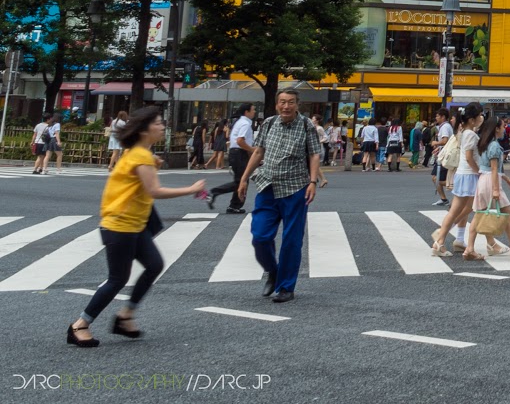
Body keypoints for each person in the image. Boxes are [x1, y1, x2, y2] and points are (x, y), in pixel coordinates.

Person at [67, 107, 209, 347]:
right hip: (120, 225)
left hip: (133, 224)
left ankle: (126, 316)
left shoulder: (138, 153)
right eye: (158, 123)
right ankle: (80, 325)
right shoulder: (140, 156)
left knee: (154, 265)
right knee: (117, 279)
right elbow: (154, 191)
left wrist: (154, 164)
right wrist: (192, 189)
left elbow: (140, 182)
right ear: (145, 129)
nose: (162, 126)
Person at [237, 91, 325, 302]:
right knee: (260, 236)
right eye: (283, 102)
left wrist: (313, 181)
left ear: (297, 105)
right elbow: (259, 152)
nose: (286, 106)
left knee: (291, 241)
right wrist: (244, 178)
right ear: (277, 104)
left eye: (291, 102)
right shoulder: (268, 123)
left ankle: (286, 287)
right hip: (267, 185)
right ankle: (272, 270)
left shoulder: (306, 125)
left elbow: (314, 154)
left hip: (296, 188)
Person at [462, 115, 510, 260]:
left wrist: (506, 179)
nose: (505, 128)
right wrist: (495, 189)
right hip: (491, 182)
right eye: (503, 126)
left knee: (478, 215)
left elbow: (488, 168)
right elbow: (493, 169)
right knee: (508, 214)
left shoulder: (485, 143)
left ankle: (469, 248)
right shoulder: (494, 145)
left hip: (483, 180)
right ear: (497, 128)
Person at [432, 103, 485, 255]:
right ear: (473, 119)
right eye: (480, 115)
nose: (482, 117)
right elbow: (469, 157)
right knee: (459, 210)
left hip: (464, 174)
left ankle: (449, 239)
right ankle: (440, 240)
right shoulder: (470, 134)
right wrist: (479, 172)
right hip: (469, 175)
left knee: (462, 209)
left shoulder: (466, 132)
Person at [207, 104, 258, 213]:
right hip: (239, 153)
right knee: (241, 181)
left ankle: (234, 206)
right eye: (253, 110)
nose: (255, 112)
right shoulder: (245, 123)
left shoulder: (240, 122)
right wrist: (253, 150)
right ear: (246, 112)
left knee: (241, 180)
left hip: (236, 153)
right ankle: (215, 192)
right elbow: (240, 141)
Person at [429, 108, 455, 206]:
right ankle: (444, 198)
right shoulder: (445, 126)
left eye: (437, 116)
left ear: (443, 117)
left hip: (445, 157)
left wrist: (436, 143)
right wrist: (438, 148)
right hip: (443, 154)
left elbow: (445, 141)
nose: (436, 118)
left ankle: (457, 188)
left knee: (437, 178)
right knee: (436, 178)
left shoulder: (444, 127)